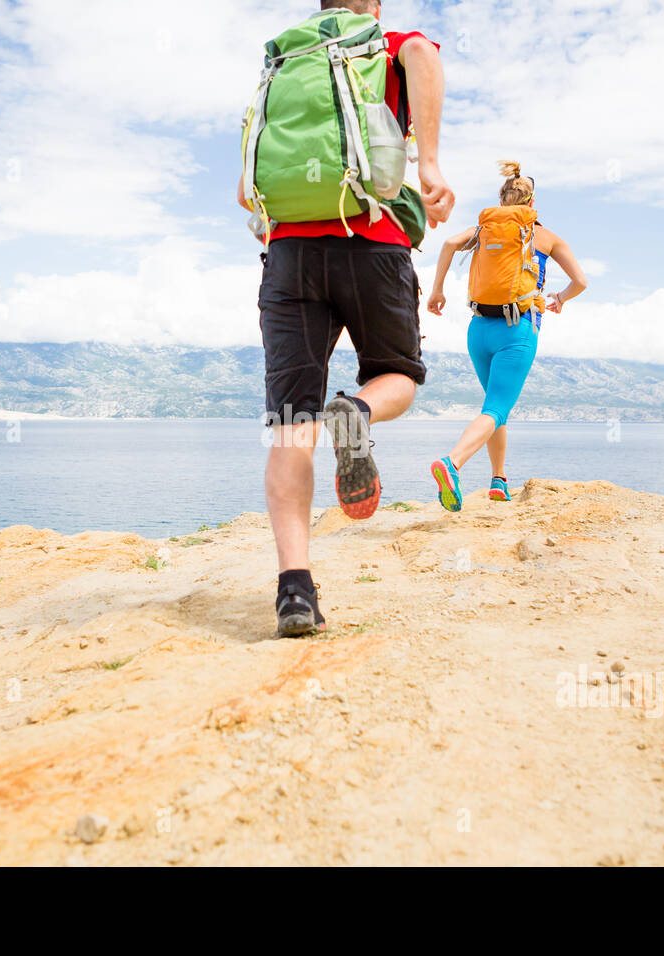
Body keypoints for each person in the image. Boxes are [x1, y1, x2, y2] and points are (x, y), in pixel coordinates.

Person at [238, 0, 454, 637]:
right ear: (375, 5)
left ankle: (294, 593)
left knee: (288, 422)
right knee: (396, 375)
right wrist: (431, 165)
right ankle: (356, 413)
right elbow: (424, 54)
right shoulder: (383, 44)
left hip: (290, 254)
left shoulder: (290, 57)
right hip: (373, 241)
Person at [425, 160, 587, 510]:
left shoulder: (483, 229)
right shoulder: (544, 236)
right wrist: (558, 298)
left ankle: (498, 480)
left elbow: (450, 243)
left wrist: (437, 291)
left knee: (494, 408)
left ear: (502, 199)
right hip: (517, 330)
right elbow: (581, 282)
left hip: (478, 330)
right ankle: (452, 464)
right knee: (496, 409)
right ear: (531, 204)